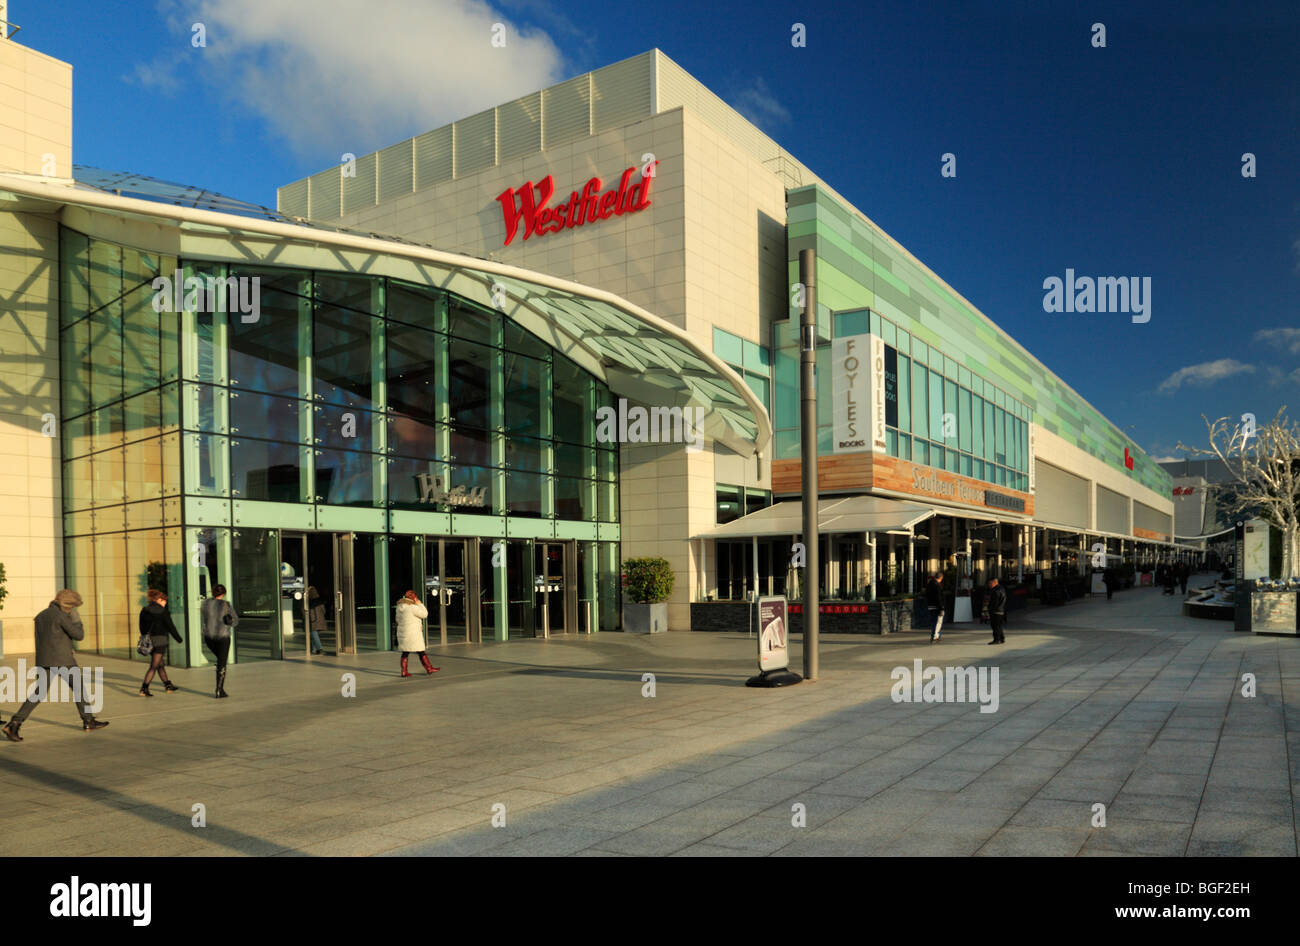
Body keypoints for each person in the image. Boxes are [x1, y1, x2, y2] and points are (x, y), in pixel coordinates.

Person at [1, 589, 108, 742]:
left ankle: (14, 723)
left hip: (45, 659)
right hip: (63, 660)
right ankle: (88, 721)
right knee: (79, 688)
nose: (74, 610)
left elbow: (49, 637)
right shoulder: (62, 616)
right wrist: (76, 620)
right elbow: (79, 635)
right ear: (68, 605)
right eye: (74, 607)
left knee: (39, 693)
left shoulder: (41, 615)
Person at [139, 588, 183, 696]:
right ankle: (144, 688)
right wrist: (178, 639)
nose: (165, 602)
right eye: (164, 600)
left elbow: (142, 627)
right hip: (160, 641)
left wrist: (146, 636)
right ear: (158, 599)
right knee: (154, 666)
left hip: (149, 641)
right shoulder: (163, 612)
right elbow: (171, 627)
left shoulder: (144, 610)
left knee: (160, 664)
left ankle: (168, 685)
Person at [200, 584, 238, 699]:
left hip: (209, 637)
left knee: (220, 660)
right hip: (223, 637)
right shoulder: (226, 605)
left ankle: (220, 689)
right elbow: (235, 621)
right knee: (222, 662)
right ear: (223, 593)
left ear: (212, 592)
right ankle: (219, 689)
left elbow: (204, 618)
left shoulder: (205, 604)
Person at [394, 590, 439, 677]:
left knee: (405, 652)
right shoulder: (412, 607)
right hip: (413, 633)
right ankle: (429, 668)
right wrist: (419, 604)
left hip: (403, 633)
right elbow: (424, 614)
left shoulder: (399, 607)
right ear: (413, 598)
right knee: (421, 651)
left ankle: (404, 671)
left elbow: (397, 620)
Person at [981, 577, 1007, 645]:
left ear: (994, 582)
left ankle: (997, 639)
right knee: (999, 625)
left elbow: (994, 602)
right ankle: (1001, 638)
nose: (989, 585)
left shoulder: (995, 591)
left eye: (990, 583)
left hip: (996, 610)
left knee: (995, 626)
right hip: (1001, 610)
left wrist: (990, 609)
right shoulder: (1002, 589)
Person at [924, 573, 944, 643]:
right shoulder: (937, 586)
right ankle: (935, 636)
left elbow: (926, 594)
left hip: (930, 605)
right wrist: (941, 607)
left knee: (933, 621)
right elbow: (939, 597)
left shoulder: (929, 585)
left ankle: (935, 635)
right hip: (937, 606)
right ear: (941, 578)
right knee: (938, 621)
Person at [306, 586, 325, 655]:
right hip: (320, 620)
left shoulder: (309, 601)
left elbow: (307, 611)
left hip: (313, 620)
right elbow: (324, 610)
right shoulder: (319, 600)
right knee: (314, 634)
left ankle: (319, 648)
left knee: (313, 633)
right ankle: (314, 650)